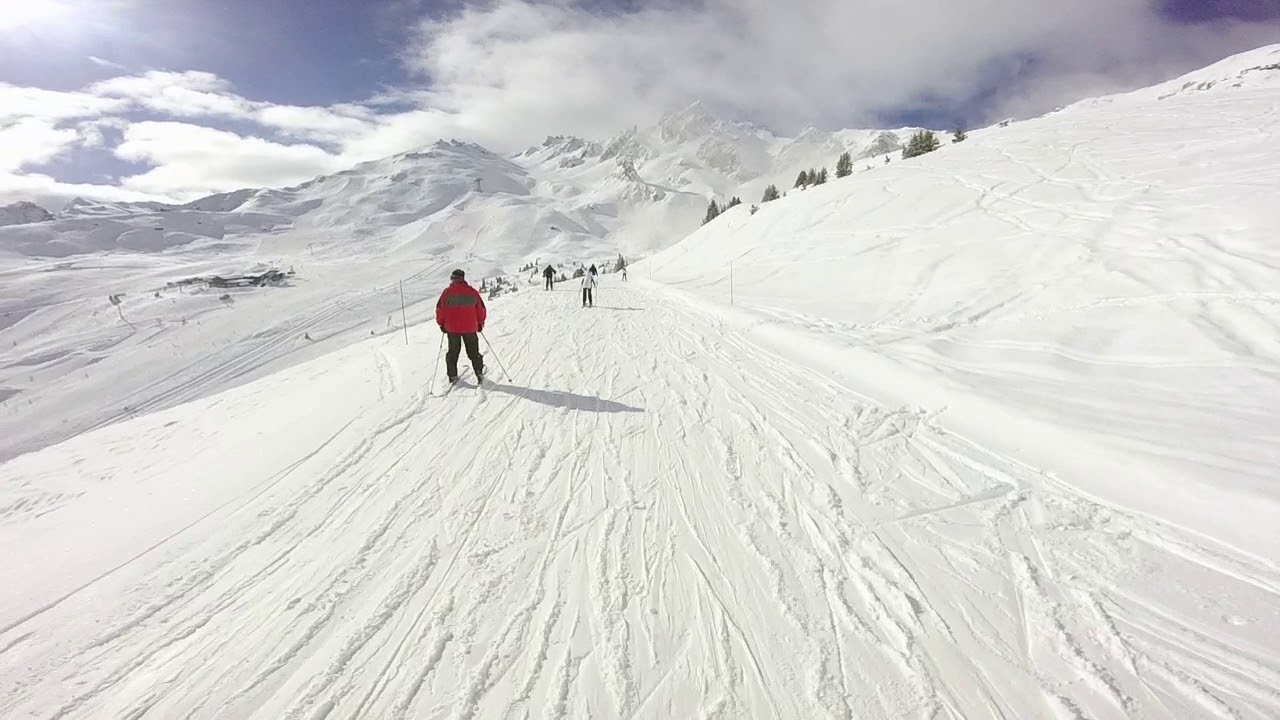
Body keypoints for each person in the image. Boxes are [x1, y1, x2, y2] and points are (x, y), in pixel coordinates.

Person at [436, 268, 486, 384]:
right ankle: (479, 372)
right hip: (470, 328)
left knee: (453, 352)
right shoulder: (472, 292)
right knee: (473, 352)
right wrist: (480, 323)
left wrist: (441, 324)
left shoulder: (446, 293)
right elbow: (481, 309)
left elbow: (440, 309)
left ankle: (453, 376)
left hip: (452, 329)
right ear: (463, 279)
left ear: (453, 278)